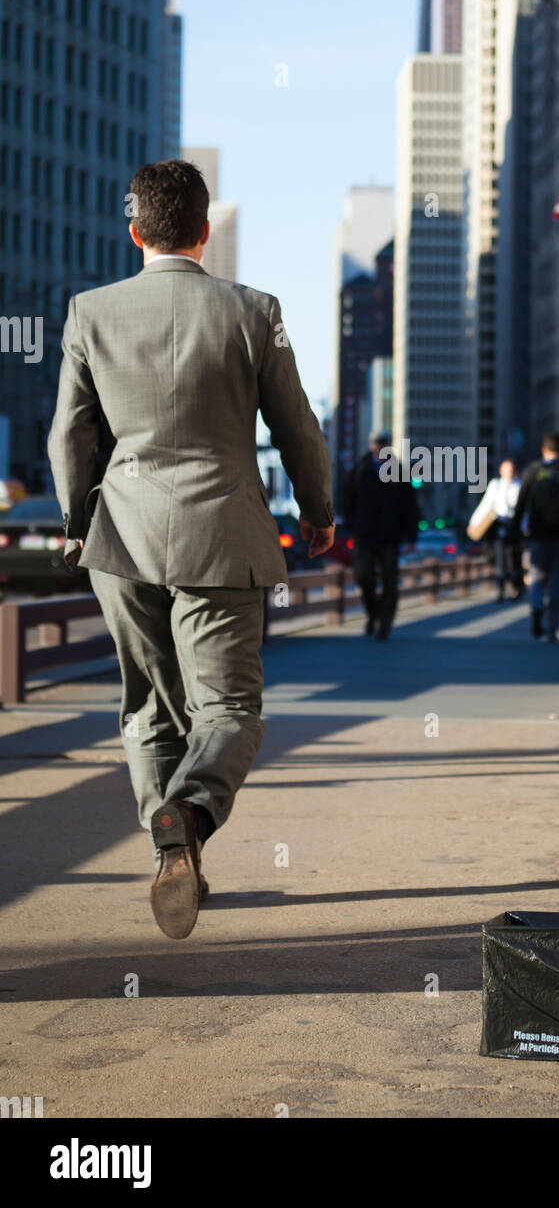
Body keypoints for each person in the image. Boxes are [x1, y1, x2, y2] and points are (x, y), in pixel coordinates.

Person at [47, 159, 335, 941]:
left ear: (135, 231)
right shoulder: (254, 310)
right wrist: (318, 510)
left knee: (147, 705)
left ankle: (170, 848)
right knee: (230, 709)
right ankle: (194, 812)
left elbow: (70, 434)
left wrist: (79, 524)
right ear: (204, 232)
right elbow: (296, 425)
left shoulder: (90, 313)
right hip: (223, 532)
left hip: (123, 536)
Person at [344, 432, 418, 641]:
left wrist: (411, 537)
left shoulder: (400, 472)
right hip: (364, 534)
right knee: (363, 576)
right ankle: (372, 613)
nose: (380, 447)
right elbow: (347, 499)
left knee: (389, 582)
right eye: (377, 443)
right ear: (371, 445)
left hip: (390, 535)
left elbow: (410, 506)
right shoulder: (359, 470)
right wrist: (352, 524)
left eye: (384, 443)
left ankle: (384, 625)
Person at [511, 433, 559, 642]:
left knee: (538, 577)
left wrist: (516, 533)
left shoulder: (532, 471)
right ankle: (552, 628)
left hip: (537, 534)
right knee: (557, 581)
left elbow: (521, 503)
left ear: (543, 448)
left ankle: (537, 608)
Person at [467, 458, 523, 601]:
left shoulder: (520, 485)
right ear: (501, 471)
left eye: (510, 470)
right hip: (498, 525)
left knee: (514, 558)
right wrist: (474, 522)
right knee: (499, 558)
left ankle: (515, 587)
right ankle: (500, 590)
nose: (508, 473)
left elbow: (525, 510)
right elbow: (485, 504)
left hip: (515, 527)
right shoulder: (496, 485)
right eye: (506, 470)